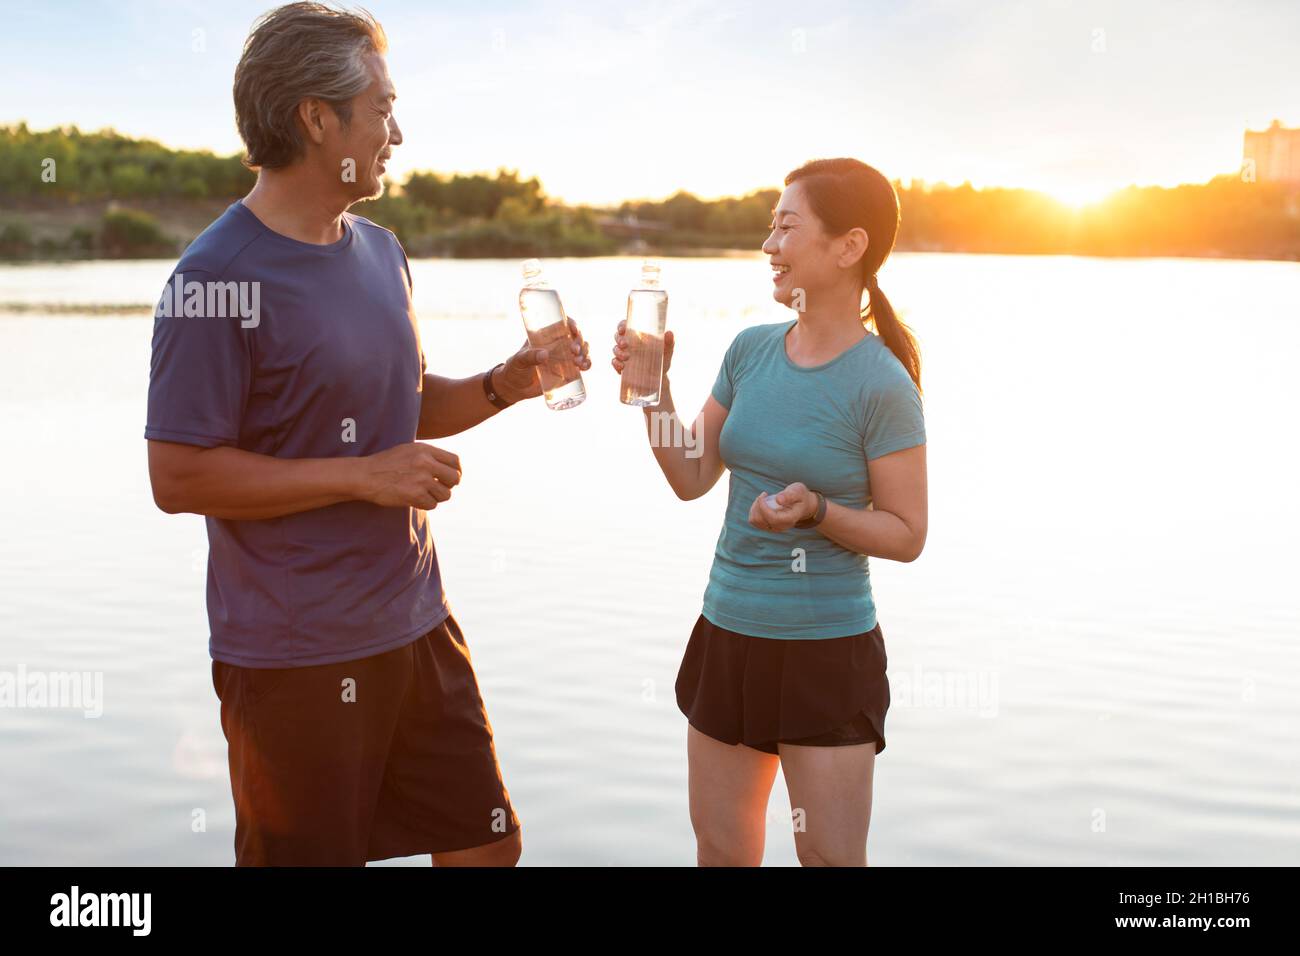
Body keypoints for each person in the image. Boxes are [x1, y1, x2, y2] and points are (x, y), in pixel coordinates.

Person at [145, 2, 591, 866]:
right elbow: (181, 477)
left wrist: (509, 382)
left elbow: (402, 406)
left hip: (417, 623)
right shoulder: (211, 278)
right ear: (318, 117)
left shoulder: (382, 250)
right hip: (294, 656)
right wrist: (361, 477)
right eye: (382, 107)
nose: (398, 131)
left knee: (488, 846)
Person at [611, 158, 927, 867]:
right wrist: (652, 391)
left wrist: (818, 511)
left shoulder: (881, 382)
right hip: (728, 634)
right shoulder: (751, 350)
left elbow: (907, 535)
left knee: (829, 860)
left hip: (825, 653)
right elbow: (690, 473)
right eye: (769, 227)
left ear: (848, 246)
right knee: (722, 853)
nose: (768, 245)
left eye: (786, 227)